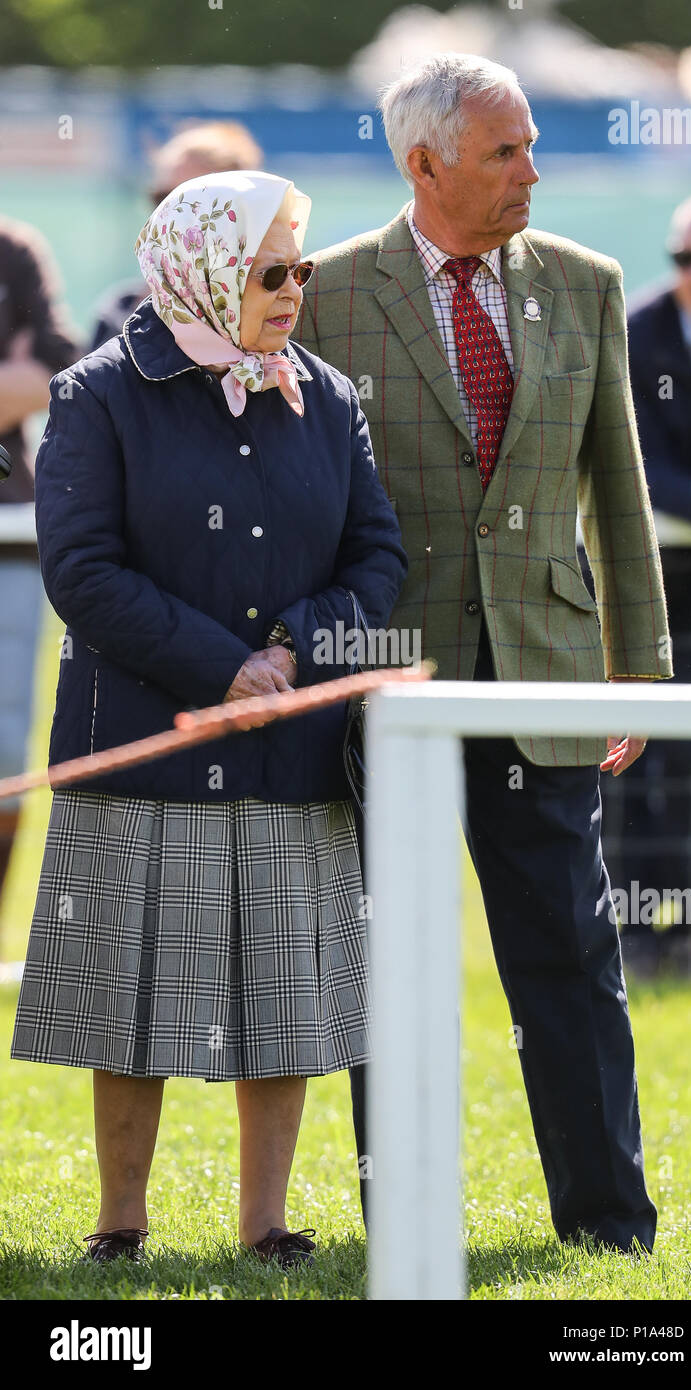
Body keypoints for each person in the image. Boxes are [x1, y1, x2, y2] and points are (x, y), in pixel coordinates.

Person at [294, 53, 672, 1254]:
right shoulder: (327, 291)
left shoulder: (583, 281)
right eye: (503, 151)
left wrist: (638, 669)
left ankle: (608, 1228)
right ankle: (399, 1216)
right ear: (424, 163)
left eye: (527, 147)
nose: (530, 170)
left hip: (542, 674)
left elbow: (618, 485)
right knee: (387, 966)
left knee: (569, 955)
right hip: (385, 682)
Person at [11, 170, 406, 1268]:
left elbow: (377, 552)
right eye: (270, 271)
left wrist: (293, 646)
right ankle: (119, 1226)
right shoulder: (97, 394)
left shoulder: (324, 394)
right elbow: (81, 569)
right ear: (203, 268)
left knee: (278, 998)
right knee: (128, 1008)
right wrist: (222, 665)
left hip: (290, 746)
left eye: (300, 268)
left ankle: (265, 1227)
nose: (292, 290)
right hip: (142, 747)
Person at [600, 187, 691, 980]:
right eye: (684, 258)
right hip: (651, 564)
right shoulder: (636, 333)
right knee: (637, 742)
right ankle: (635, 931)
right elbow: (621, 457)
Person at [0, 217, 79, 915]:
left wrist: (31, 374)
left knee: (2, 749)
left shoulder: (14, 249)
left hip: (10, 534)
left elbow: (55, 368)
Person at [88, 121, 263, 351]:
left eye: (192, 202)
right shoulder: (119, 312)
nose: (170, 215)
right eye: (162, 199)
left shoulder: (274, 313)